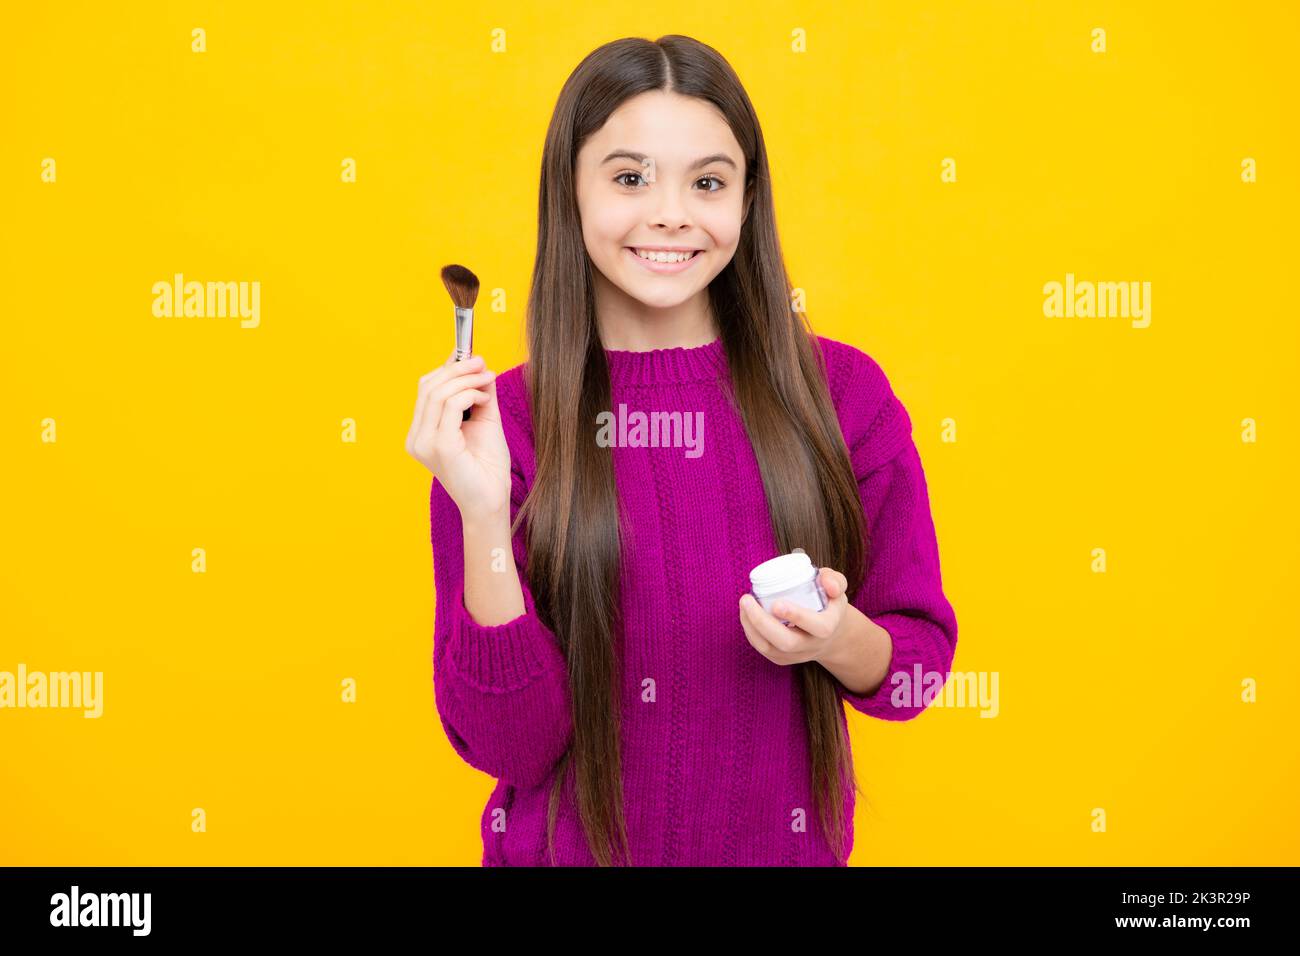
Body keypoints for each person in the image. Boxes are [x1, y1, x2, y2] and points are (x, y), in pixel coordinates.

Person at [406, 35, 957, 866]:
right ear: (570, 192)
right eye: (630, 178)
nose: (671, 213)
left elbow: (915, 670)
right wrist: (481, 515)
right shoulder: (497, 426)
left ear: (746, 199)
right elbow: (509, 749)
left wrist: (835, 637)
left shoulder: (841, 393)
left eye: (707, 182)